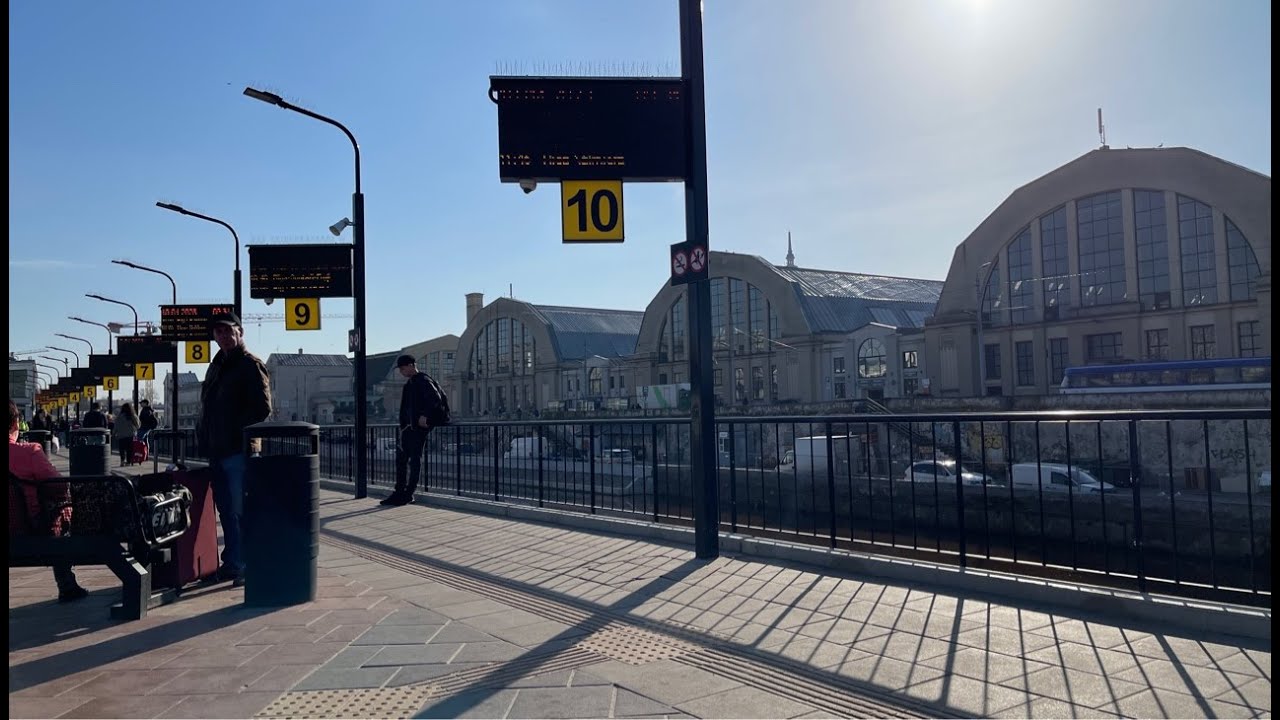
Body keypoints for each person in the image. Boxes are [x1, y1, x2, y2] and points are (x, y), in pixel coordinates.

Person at [198, 311, 271, 586]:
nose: (224, 337)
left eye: (228, 331)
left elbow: (262, 408)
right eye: (218, 333)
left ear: (240, 332)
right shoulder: (217, 365)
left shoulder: (250, 365)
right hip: (217, 450)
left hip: (238, 451)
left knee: (241, 509)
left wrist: (233, 432)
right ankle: (232, 563)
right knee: (226, 510)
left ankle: (246, 564)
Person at [8, 399, 89, 602]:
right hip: (27, 529)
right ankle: (66, 583)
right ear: (15, 424)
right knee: (59, 512)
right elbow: (59, 487)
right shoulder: (29, 452)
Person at [381, 355, 442, 507]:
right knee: (401, 460)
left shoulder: (423, 380)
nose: (401, 372)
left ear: (411, 365)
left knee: (414, 460)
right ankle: (399, 492)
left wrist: (425, 416)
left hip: (417, 428)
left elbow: (436, 399)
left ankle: (408, 494)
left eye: (402, 368)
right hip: (408, 428)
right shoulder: (411, 383)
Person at [112, 402, 141, 466]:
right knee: (129, 449)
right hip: (131, 435)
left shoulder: (119, 417)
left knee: (122, 449)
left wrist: (114, 433)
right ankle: (128, 462)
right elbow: (138, 425)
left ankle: (122, 461)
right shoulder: (133, 416)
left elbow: (116, 426)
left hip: (121, 435)